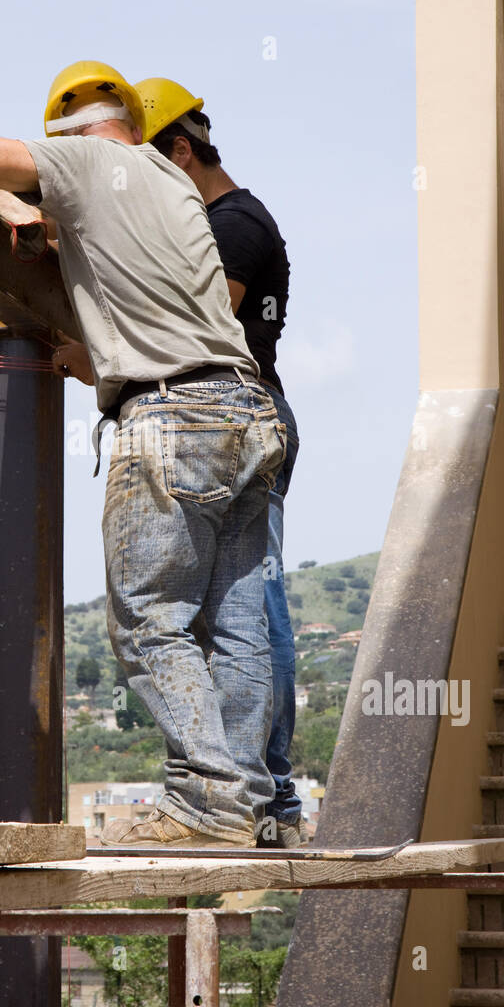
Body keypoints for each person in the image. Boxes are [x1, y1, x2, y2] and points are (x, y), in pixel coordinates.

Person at [0, 60, 285, 849]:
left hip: (168, 420)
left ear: (67, 128)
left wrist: (11, 185)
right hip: (243, 409)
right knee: (235, 628)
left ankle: (204, 802)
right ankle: (246, 805)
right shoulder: (173, 186)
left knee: (151, 623)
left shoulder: (90, 159)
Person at [140, 78, 304, 847]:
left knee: (250, 611)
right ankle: (261, 798)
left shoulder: (232, 226)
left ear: (181, 150)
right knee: (237, 611)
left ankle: (266, 798)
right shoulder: (222, 220)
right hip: (245, 424)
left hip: (242, 423)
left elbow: (198, 322)